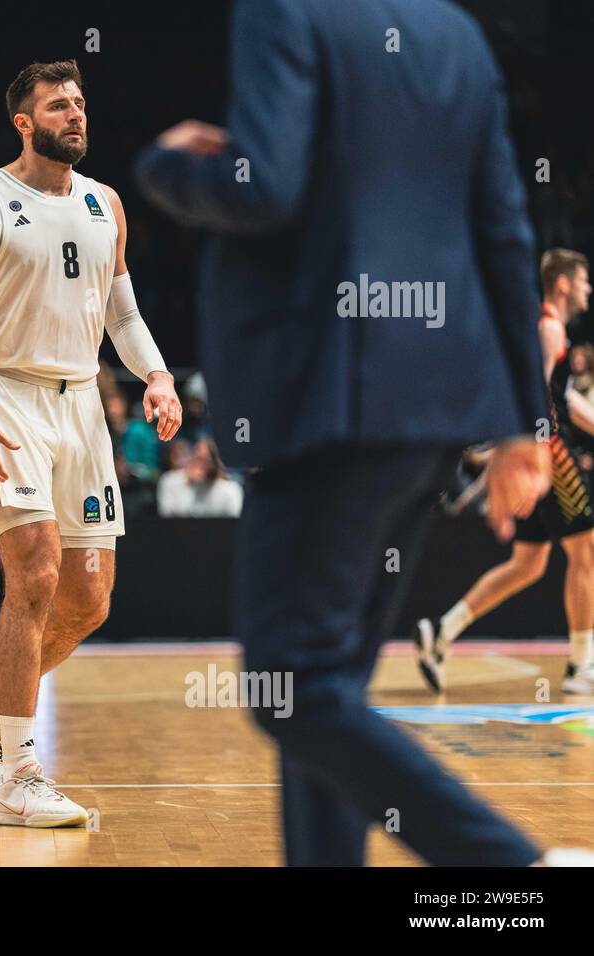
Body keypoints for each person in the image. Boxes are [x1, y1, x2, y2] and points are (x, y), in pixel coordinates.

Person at [135, 0, 569, 865]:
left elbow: (269, 188)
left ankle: (512, 872)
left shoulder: (283, 11)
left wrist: (166, 167)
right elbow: (504, 229)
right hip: (438, 400)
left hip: (331, 393)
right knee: (328, 687)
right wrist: (523, 420)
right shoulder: (454, 32)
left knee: (288, 689)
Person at [0, 60, 182, 828]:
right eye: (58, 105)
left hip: (81, 406)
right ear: (23, 123)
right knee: (33, 571)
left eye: (80, 103)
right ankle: (18, 776)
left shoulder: (107, 205)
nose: (76, 115)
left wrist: (158, 377)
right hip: (4, 397)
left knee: (90, 599)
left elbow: (122, 318)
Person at [416, 249, 594, 694]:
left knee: (528, 564)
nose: (590, 287)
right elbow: (530, 391)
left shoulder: (548, 329)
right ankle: (580, 668)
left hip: (539, 447)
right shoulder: (549, 327)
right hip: (547, 452)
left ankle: (442, 631)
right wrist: (529, 451)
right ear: (564, 284)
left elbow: (561, 397)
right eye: (585, 279)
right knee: (587, 550)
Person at [157, 437, 242, 517]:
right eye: (199, 459)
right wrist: (187, 485)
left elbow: (235, 524)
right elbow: (167, 518)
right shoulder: (170, 481)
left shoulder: (231, 490)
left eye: (207, 461)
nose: (201, 466)